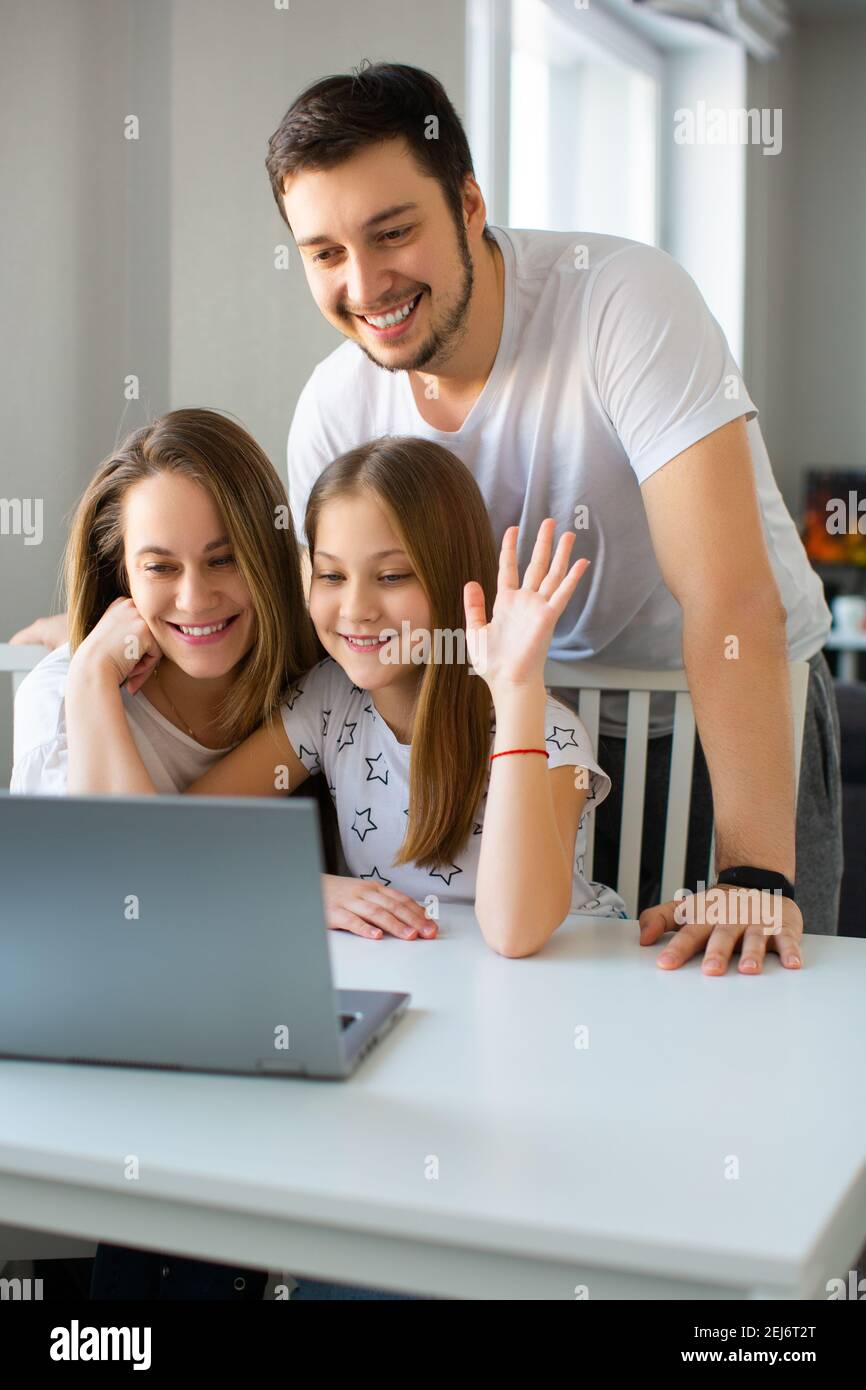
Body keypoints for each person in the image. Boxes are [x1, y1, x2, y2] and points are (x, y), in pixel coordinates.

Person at [12, 60, 841, 962]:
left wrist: (757, 874)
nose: (364, 284)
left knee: (751, 989)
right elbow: (318, 610)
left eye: (392, 232)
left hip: (723, 699)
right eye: (325, 253)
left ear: (470, 204)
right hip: (497, 711)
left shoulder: (623, 305)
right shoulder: (338, 405)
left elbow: (728, 601)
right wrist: (106, 621)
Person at [11, 407, 432, 1300]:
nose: (196, 600)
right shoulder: (67, 700)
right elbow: (127, 899)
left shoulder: (305, 683)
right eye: (159, 567)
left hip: (282, 1021)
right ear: (119, 576)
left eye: (224, 559)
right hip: (126, 1044)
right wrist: (87, 675)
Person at [89, 435, 628, 943]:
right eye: (331, 576)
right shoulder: (331, 701)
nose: (356, 611)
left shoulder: (547, 732)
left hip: (564, 982)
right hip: (415, 977)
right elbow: (182, 837)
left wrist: (516, 694)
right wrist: (296, 889)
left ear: (450, 578)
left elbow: (515, 934)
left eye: (392, 577)